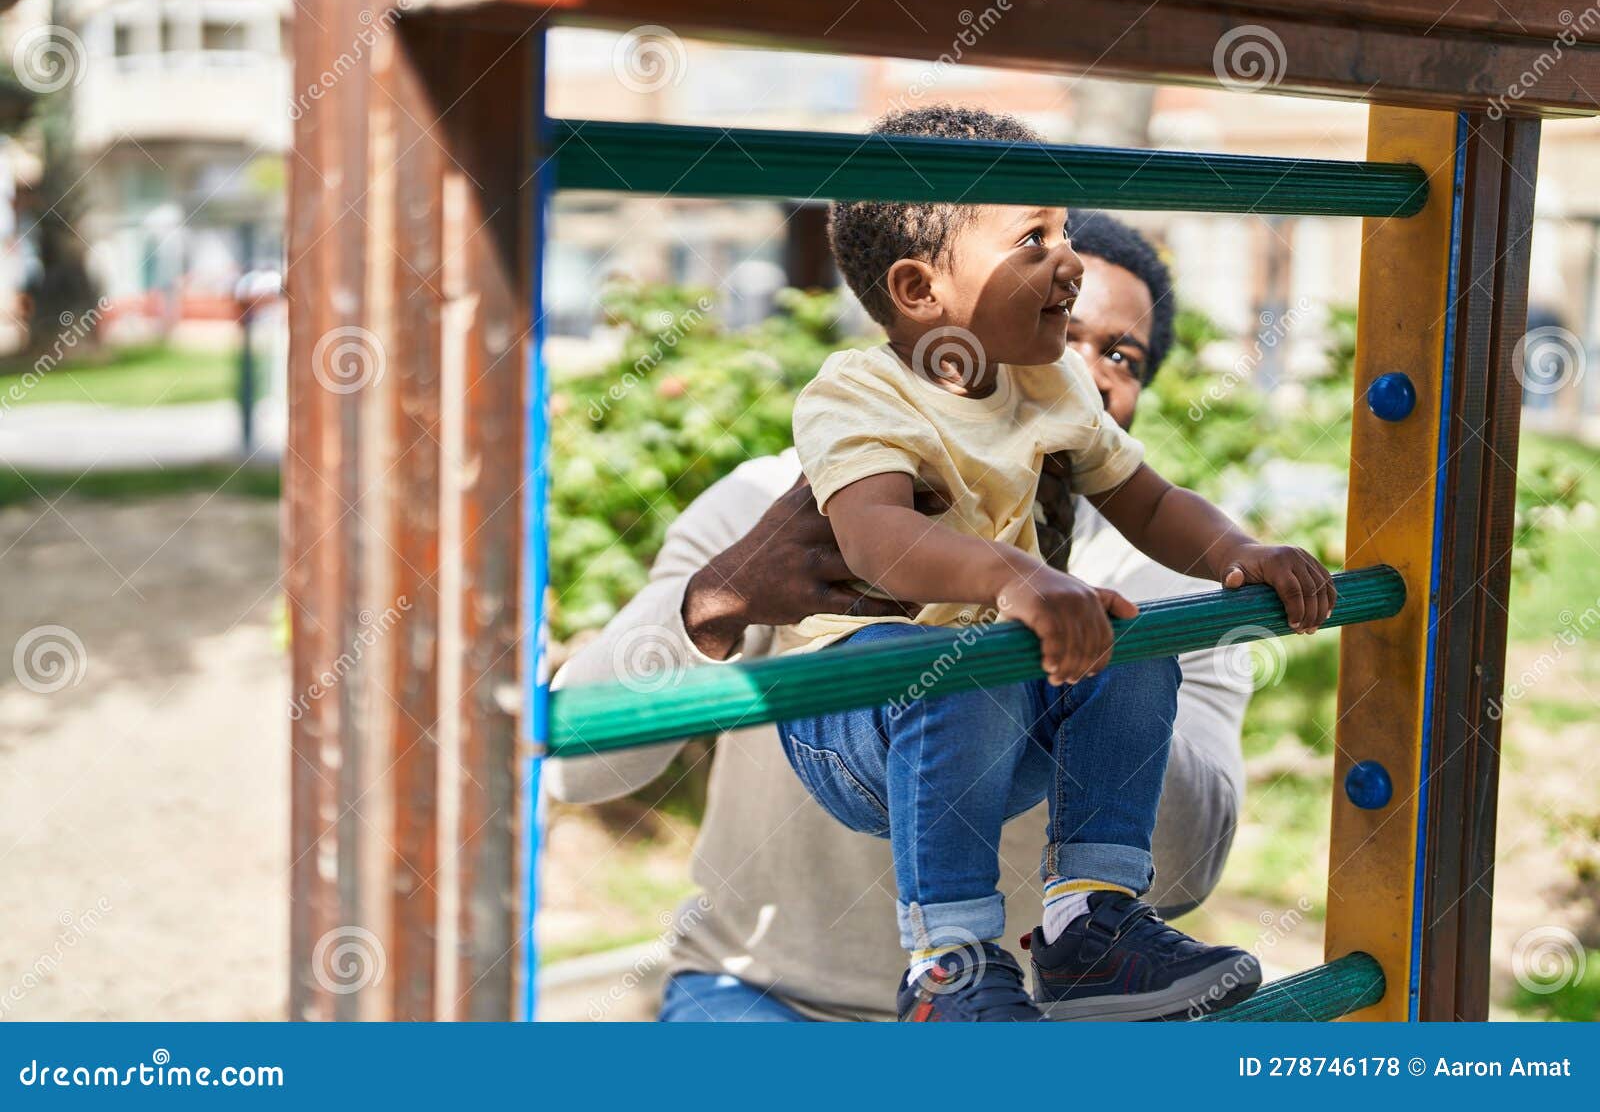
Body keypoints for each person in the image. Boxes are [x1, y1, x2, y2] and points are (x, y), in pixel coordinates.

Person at [547, 203, 1260, 1023]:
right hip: (770, 999)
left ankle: (1069, 938)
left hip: (1019, 1017)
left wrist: (1084, 667)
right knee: (933, 674)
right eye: (1058, 329)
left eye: (1120, 354)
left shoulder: (1151, 575)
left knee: (1075, 668)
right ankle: (949, 956)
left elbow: (1190, 867)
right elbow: (577, 764)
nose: (1083, 369)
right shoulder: (779, 505)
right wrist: (716, 602)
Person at [762, 105, 1333, 1022]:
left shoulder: (1050, 382)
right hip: (855, 720)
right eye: (1035, 239)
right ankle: (947, 964)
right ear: (919, 290)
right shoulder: (856, 393)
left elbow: (1147, 500)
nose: (1069, 259)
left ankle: (1089, 927)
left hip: (999, 712)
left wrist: (1239, 551)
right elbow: (879, 539)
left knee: (1131, 639)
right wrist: (1011, 575)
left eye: (1063, 231)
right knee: (952, 671)